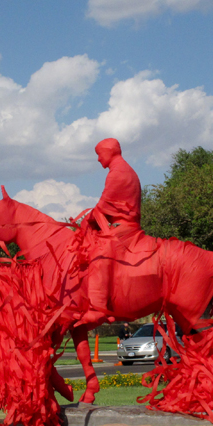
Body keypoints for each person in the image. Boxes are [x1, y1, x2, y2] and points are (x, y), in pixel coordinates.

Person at [77, 138, 143, 326]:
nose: (98, 159)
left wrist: (86, 223)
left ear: (109, 151)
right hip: (121, 225)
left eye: (99, 154)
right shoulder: (123, 170)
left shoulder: (118, 173)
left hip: (124, 228)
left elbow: (104, 206)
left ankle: (96, 308)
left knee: (99, 255)